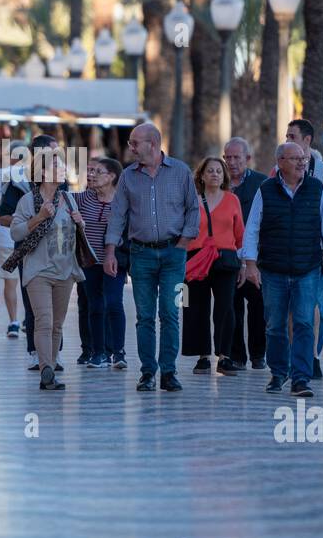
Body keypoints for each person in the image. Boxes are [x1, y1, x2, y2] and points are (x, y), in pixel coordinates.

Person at [238, 142, 323, 397]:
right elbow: (252, 228)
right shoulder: (266, 190)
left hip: (307, 268)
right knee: (274, 325)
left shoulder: (315, 188)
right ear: (280, 163)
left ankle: (301, 379)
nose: (301, 162)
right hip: (273, 270)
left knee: (304, 323)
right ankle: (278, 373)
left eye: (303, 158)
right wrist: (250, 264)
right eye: (295, 158)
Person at [104, 122, 200, 393]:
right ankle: (148, 372)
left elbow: (194, 209)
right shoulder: (127, 176)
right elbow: (118, 215)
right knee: (145, 316)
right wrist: (110, 250)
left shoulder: (180, 171)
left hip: (174, 255)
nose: (130, 148)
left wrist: (184, 243)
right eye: (130, 143)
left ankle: (169, 372)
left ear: (153, 144)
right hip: (141, 254)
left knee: (170, 313)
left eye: (135, 143)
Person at [8, 145, 85, 390]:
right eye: (55, 165)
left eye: (62, 165)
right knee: (44, 319)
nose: (61, 169)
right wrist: (39, 217)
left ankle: (50, 370)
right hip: (38, 270)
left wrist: (81, 223)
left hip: (65, 271)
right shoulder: (28, 200)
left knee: (57, 324)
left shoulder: (69, 198)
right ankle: (46, 369)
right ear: (41, 172)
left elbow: (76, 236)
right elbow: (16, 231)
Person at [281, 118, 323, 379]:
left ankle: (313, 356)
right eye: (286, 135)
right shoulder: (278, 169)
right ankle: (295, 355)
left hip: (316, 250)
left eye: (292, 135)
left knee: (316, 306)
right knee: (291, 307)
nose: (288, 139)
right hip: (286, 251)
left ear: (307, 140)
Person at [0, 134, 63, 367]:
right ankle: (36, 353)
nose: (58, 157)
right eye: (53, 152)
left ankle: (55, 353)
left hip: (58, 252)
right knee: (34, 306)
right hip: (29, 251)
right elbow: (4, 218)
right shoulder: (17, 181)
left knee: (57, 307)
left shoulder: (61, 180)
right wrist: (33, 218)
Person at [182, 157, 244, 376]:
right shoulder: (191, 200)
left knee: (226, 308)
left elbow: (240, 235)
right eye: (210, 171)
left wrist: (244, 264)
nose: (215, 174)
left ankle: (225, 357)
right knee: (196, 307)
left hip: (225, 259)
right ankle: (202, 357)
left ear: (224, 175)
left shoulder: (232, 200)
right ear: (201, 175)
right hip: (196, 258)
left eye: (219, 171)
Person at [75, 157, 126, 370]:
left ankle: (118, 351)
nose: (92, 175)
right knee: (95, 305)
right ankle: (98, 353)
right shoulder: (84, 198)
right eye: (92, 171)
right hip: (89, 261)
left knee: (113, 302)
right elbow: (56, 199)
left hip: (114, 260)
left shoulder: (123, 201)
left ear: (112, 176)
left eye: (98, 171)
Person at [223, 137, 267, 370]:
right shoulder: (217, 183)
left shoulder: (263, 183)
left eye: (236, 157)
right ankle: (236, 356)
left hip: (255, 260)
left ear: (247, 159)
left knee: (259, 307)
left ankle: (259, 354)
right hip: (227, 259)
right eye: (227, 157)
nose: (231, 162)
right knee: (232, 308)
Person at [0, 150, 26, 339]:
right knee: (30, 282)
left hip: (4, 235)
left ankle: (13, 322)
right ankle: (30, 318)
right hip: (28, 234)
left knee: (10, 282)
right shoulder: (32, 175)